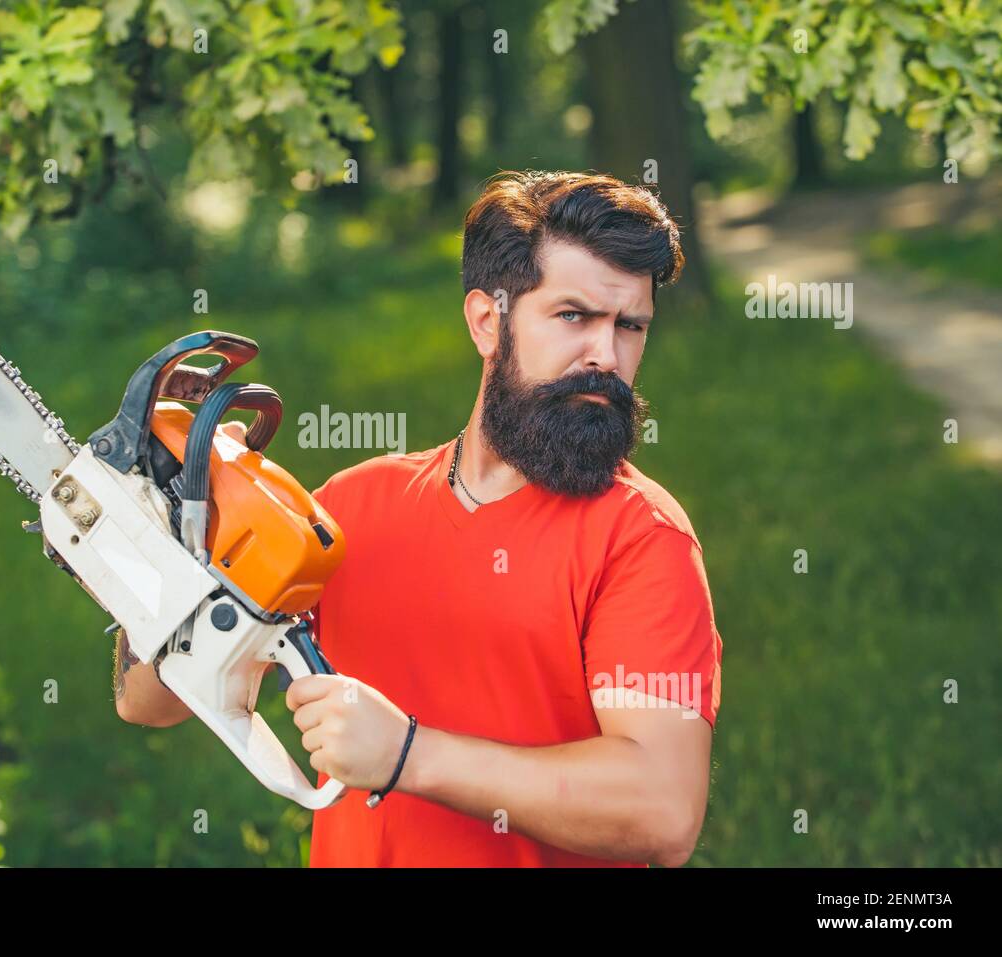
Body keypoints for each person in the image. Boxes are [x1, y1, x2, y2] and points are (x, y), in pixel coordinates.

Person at [117, 171, 723, 868]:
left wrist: (409, 753)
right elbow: (152, 704)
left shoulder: (642, 538)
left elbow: (664, 809)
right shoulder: (348, 510)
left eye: (630, 326)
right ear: (487, 321)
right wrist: (157, 557)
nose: (606, 356)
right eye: (574, 316)